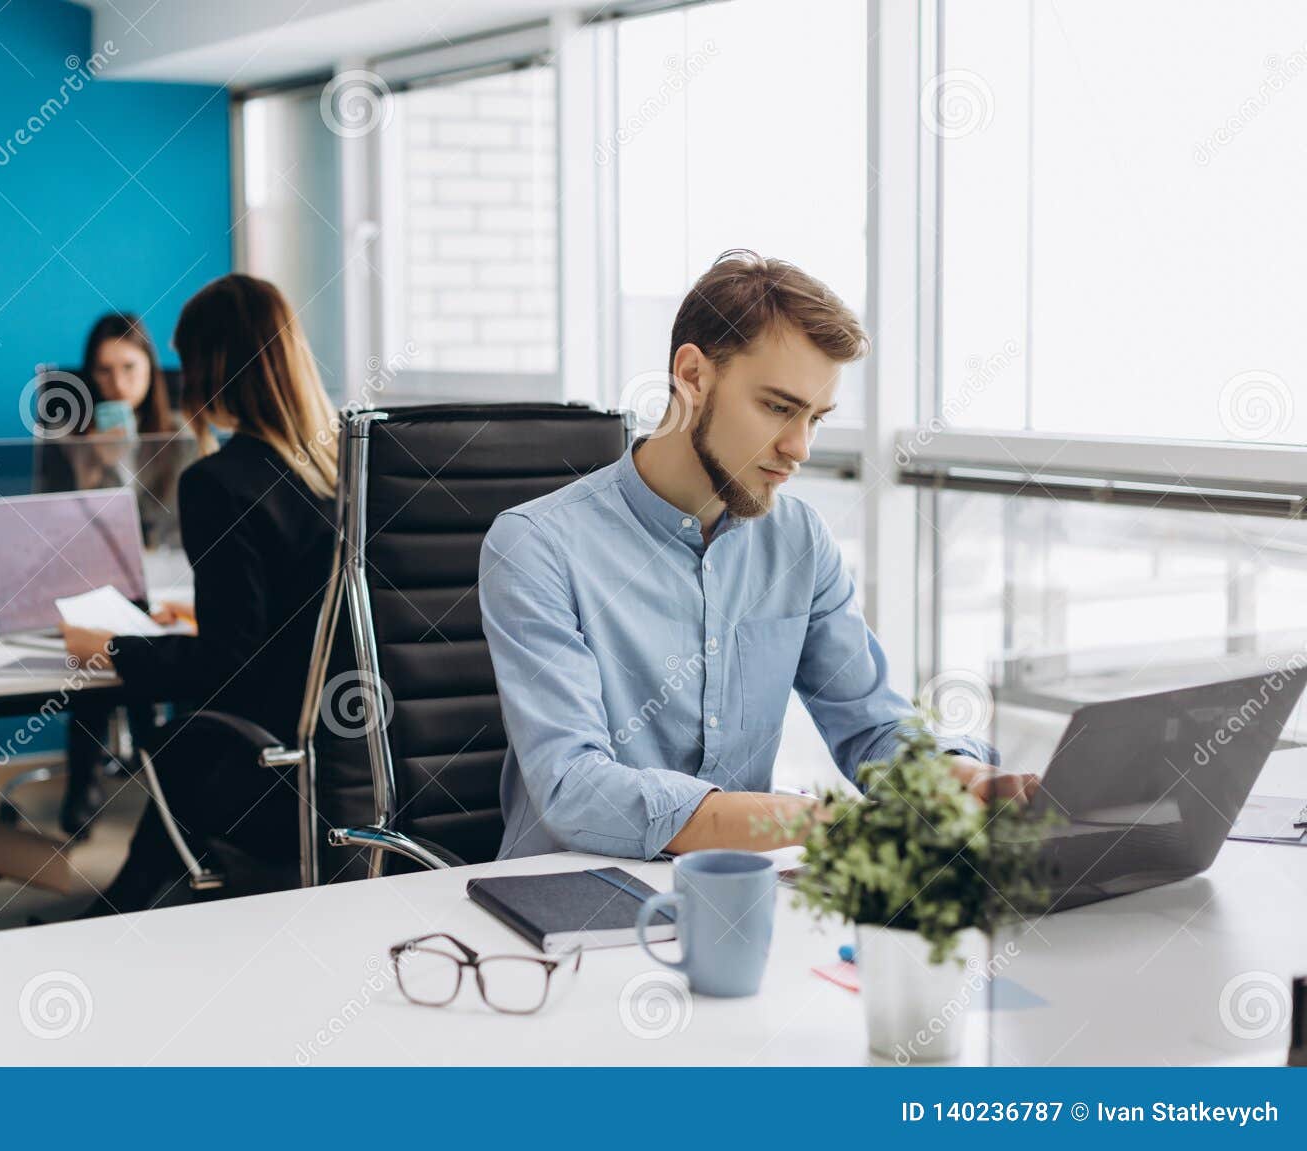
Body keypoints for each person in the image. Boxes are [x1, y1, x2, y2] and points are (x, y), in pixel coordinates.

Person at [479, 250, 1033, 862]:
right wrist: (820, 820)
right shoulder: (537, 545)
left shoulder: (799, 541)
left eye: (816, 419)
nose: (799, 448)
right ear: (691, 376)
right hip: (562, 905)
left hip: (732, 895)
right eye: (778, 408)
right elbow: (574, 790)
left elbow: (871, 726)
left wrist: (955, 778)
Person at [60, 274, 343, 913]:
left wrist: (113, 648)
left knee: (188, 743)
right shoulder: (346, 471)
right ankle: (120, 906)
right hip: (355, 758)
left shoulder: (217, 482)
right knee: (190, 753)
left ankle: (117, 909)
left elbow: (227, 664)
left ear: (207, 369)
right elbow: (298, 614)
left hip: (269, 765)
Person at [44, 313, 184, 836]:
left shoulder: (177, 438)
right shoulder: (70, 440)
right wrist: (94, 465)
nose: (117, 383)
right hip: (93, 580)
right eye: (103, 372)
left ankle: (164, 781)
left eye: (129, 367)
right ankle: (84, 780)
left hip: (165, 581)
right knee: (98, 651)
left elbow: (175, 525)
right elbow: (55, 523)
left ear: (151, 368)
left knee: (143, 649)